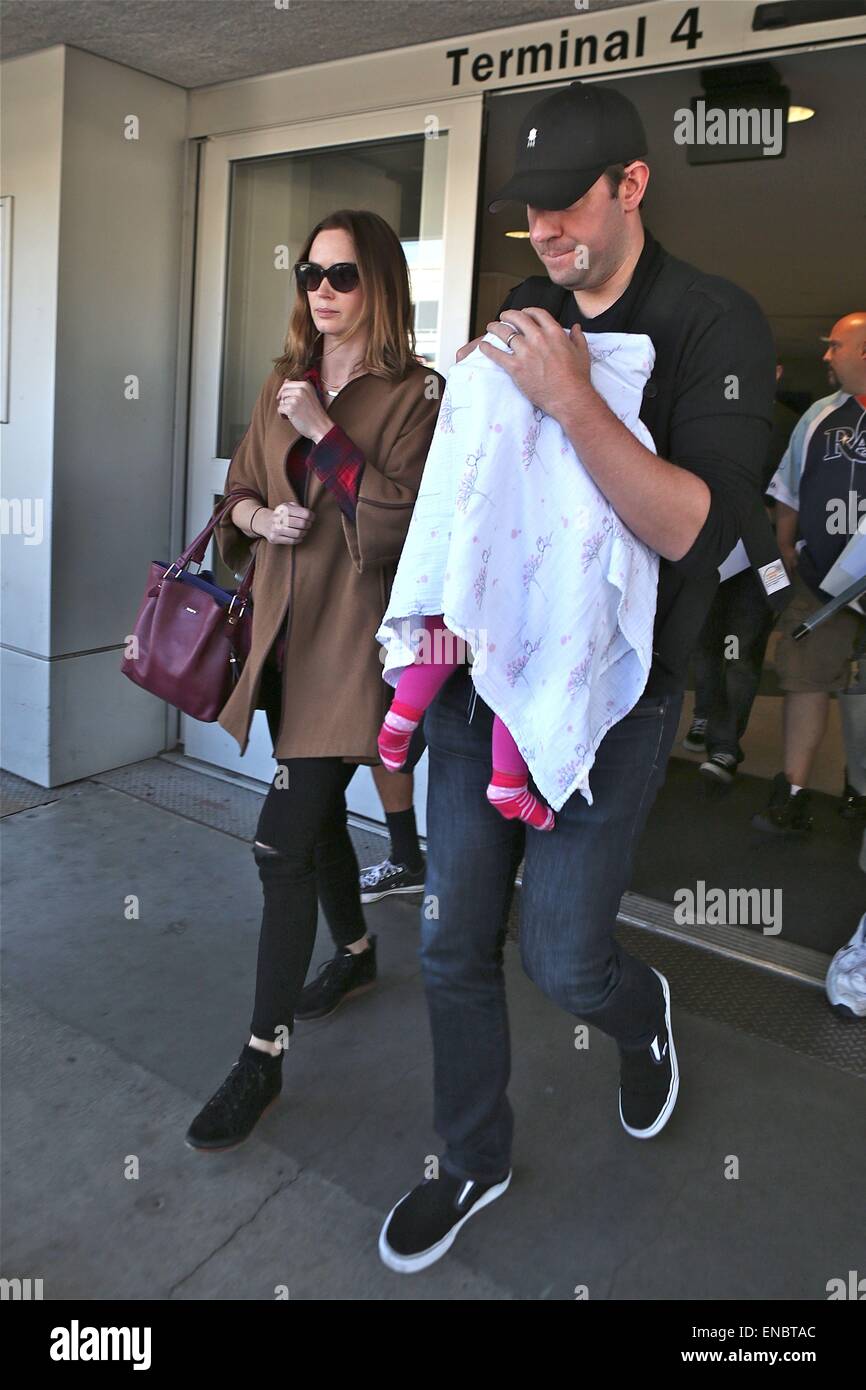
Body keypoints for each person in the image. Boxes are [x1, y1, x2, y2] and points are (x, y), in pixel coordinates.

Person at [377, 79, 778, 1273]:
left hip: (613, 693)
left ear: (633, 185)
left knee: (559, 956)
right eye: (528, 215)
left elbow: (687, 532)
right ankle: (471, 1155)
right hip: (478, 671)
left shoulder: (715, 323)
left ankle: (632, 1006)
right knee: (451, 944)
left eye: (565, 207)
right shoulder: (524, 302)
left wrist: (564, 397)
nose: (545, 235)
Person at [185, 209, 444, 1150]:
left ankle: (261, 1058)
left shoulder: (417, 395)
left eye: (341, 275)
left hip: (355, 651)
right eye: (309, 274)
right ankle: (363, 952)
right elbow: (235, 496)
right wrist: (258, 522)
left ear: (379, 284)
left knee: (279, 844)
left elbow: (401, 526)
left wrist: (326, 433)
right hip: (284, 645)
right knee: (318, 811)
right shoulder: (281, 381)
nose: (321, 291)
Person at [755, 313, 866, 837]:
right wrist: (784, 545)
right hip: (819, 583)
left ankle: (859, 787)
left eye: (835, 346)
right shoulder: (820, 415)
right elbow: (789, 488)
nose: (826, 355)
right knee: (804, 680)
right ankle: (792, 793)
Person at [684, 365, 798, 786]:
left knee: (742, 651)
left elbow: (795, 493)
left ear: (777, 373)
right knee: (706, 644)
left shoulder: (791, 425)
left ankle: (726, 745)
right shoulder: (709, 418)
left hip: (762, 558)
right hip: (710, 552)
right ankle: (705, 716)